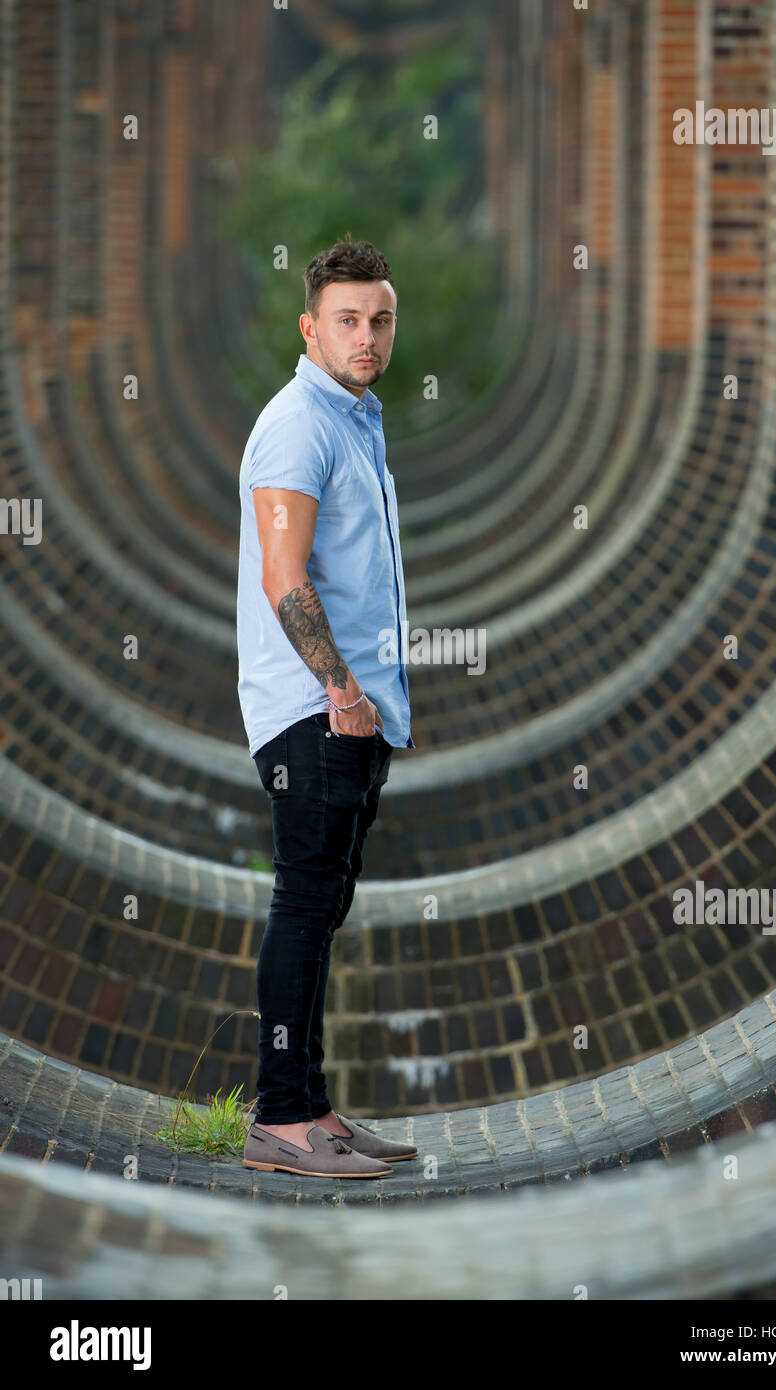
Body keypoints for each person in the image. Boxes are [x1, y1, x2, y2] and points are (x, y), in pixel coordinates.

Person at [236, 235, 418, 1178]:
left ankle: (312, 1109)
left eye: (380, 319)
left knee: (322, 909)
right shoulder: (297, 425)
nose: (367, 335)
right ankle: (281, 1117)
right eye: (348, 320)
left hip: (353, 713)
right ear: (310, 327)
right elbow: (283, 573)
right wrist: (341, 693)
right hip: (313, 714)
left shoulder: (354, 418)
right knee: (302, 908)